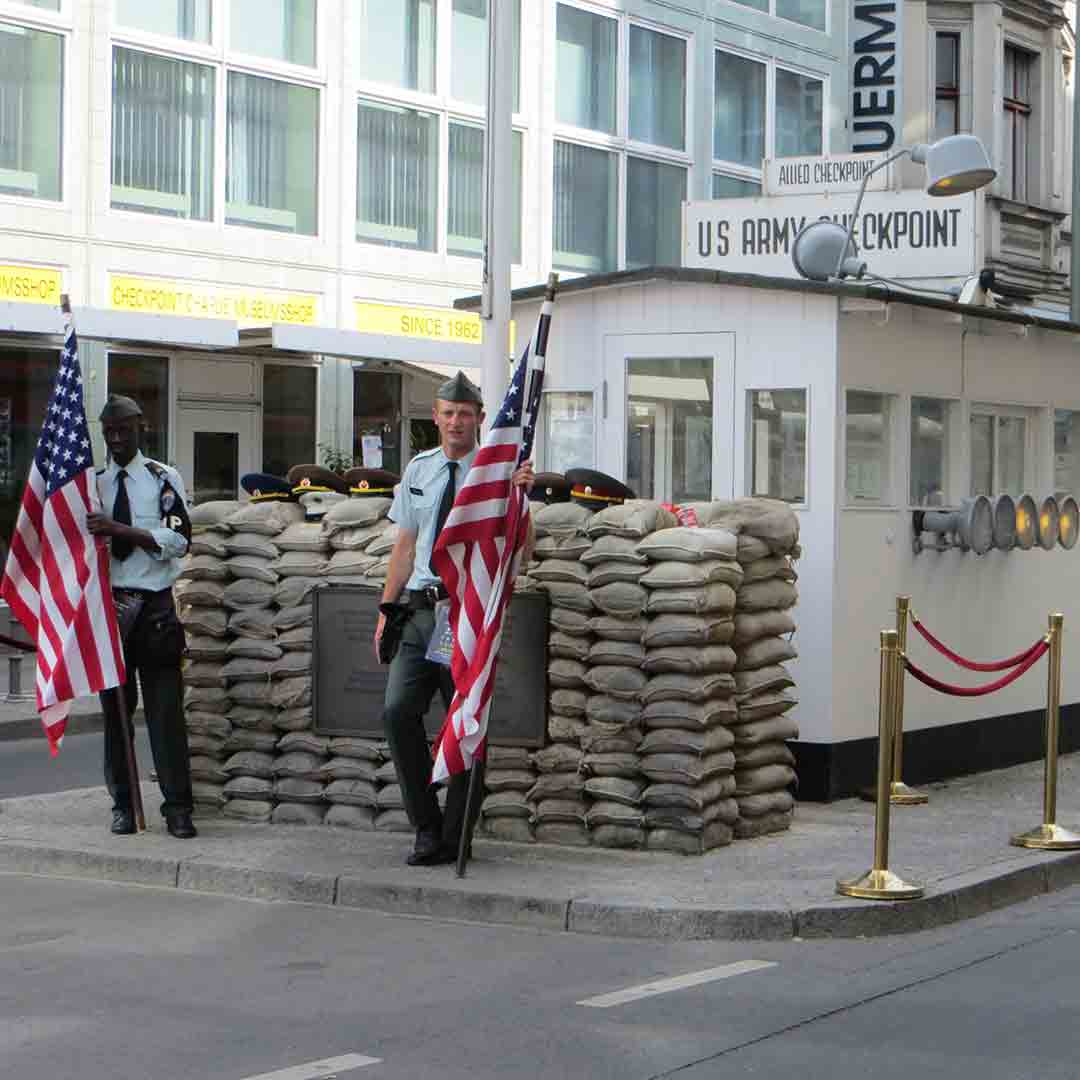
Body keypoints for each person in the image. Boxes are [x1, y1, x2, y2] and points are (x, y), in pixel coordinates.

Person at [374, 371, 534, 866]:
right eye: (448, 413)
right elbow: (405, 546)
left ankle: (455, 831)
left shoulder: (499, 474)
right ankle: (425, 825)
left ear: (481, 419)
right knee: (398, 712)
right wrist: (386, 607)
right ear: (436, 418)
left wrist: (520, 498)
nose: (456, 422)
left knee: (464, 722)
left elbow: (520, 552)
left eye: (465, 414)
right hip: (421, 610)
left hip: (465, 613)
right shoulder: (420, 470)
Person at [87, 394, 196, 839]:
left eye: (124, 429)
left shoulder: (161, 479)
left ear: (141, 428)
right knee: (115, 716)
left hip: (153, 609)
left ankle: (177, 808)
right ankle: (123, 805)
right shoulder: (92, 486)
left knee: (165, 714)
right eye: (109, 431)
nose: (116, 438)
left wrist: (120, 530)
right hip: (110, 610)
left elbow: (179, 540)